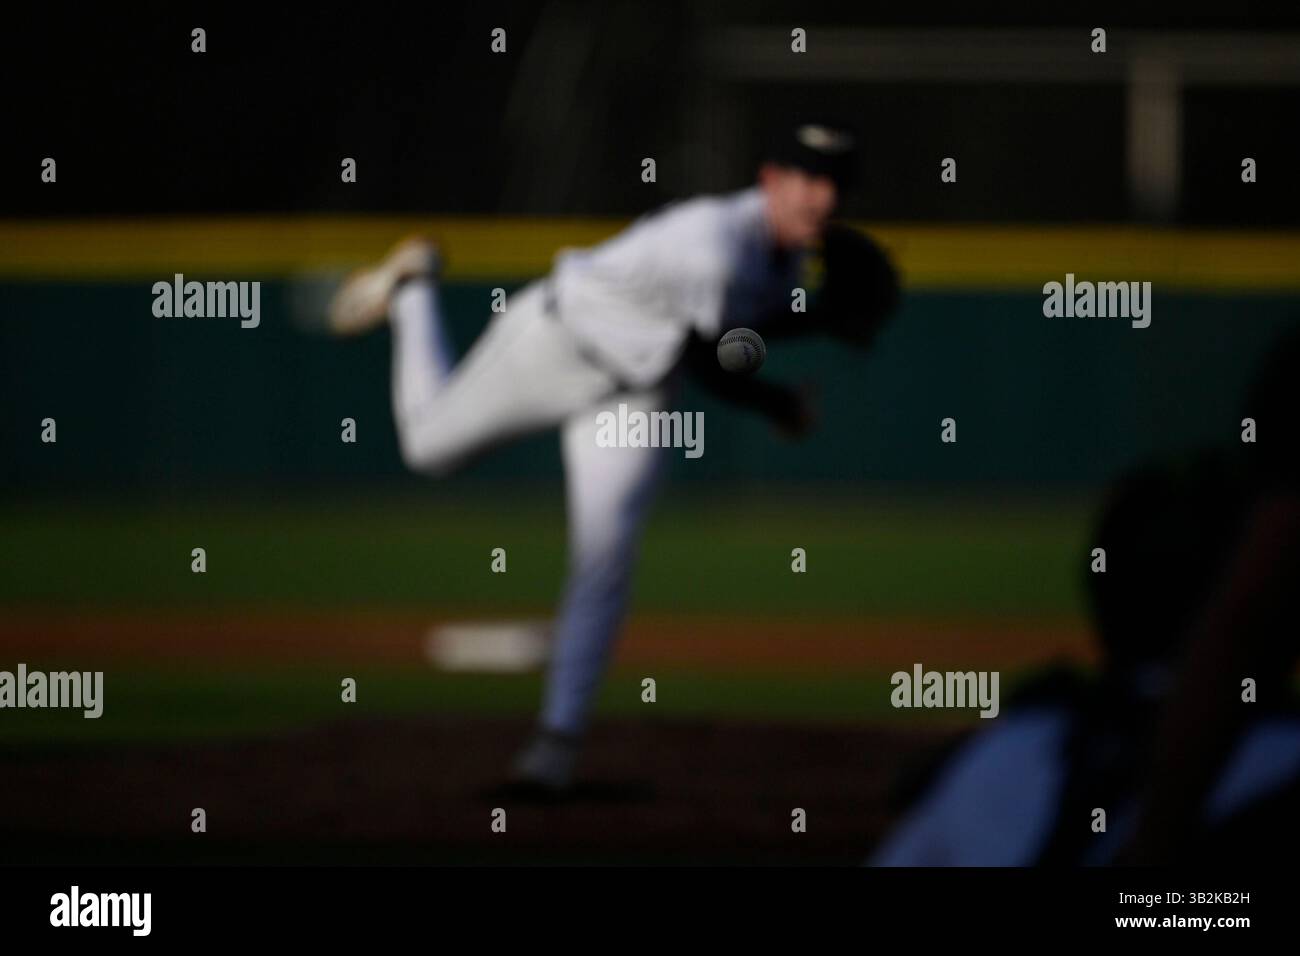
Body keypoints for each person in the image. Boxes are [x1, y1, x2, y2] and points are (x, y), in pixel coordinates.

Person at [328, 123, 899, 793]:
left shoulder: (785, 263)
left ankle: (554, 750)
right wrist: (779, 400)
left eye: (834, 184)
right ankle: (415, 290)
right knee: (427, 451)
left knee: (606, 554)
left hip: (634, 390)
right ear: (770, 179)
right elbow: (714, 358)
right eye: (807, 178)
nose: (821, 197)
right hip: (557, 343)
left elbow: (741, 329)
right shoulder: (712, 241)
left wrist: (812, 319)